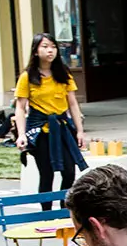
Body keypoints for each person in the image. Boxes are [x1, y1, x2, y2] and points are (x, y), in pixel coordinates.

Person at [14, 33, 87, 202]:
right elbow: (20, 107)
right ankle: (46, 217)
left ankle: (64, 210)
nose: (50, 51)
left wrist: (80, 131)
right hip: (41, 130)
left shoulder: (63, 74)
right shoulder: (27, 76)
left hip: (62, 128)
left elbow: (73, 104)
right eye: (45, 47)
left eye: (53, 47)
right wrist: (22, 134)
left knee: (69, 171)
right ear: (35, 51)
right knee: (46, 174)